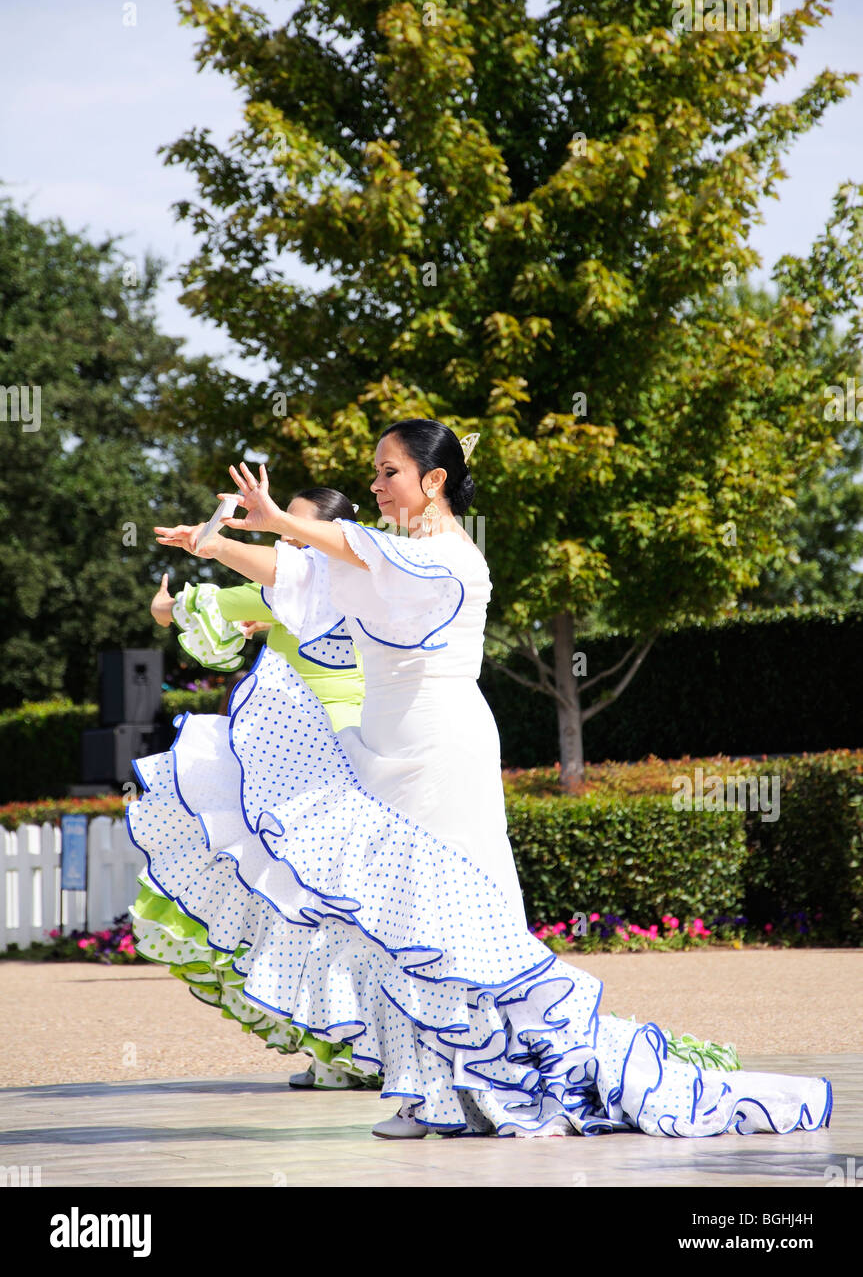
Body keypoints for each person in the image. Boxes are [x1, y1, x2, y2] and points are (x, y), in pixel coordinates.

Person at [126, 420, 833, 1139]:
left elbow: (351, 552)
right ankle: (423, 1094)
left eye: (387, 471)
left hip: (441, 751)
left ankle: (512, 1085)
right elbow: (302, 576)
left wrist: (280, 522)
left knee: (450, 923)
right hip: (380, 745)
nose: (374, 486)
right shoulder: (388, 555)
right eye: (373, 472)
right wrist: (218, 545)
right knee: (395, 926)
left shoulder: (450, 559)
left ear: (433, 481)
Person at [135, 487, 379, 1091]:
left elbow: (193, 612)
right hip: (375, 752)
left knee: (304, 903)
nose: (277, 528)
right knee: (356, 904)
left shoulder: (285, 584)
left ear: (326, 528)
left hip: (297, 756)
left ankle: (343, 1054)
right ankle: (379, 1051)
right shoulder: (375, 574)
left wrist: (163, 605)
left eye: (292, 520)